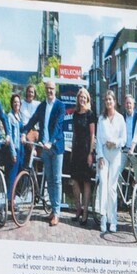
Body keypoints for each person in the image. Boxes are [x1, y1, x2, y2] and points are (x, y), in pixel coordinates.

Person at [95, 90, 128, 233]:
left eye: (111, 99)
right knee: (103, 183)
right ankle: (103, 218)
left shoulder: (120, 118)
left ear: (114, 101)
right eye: (107, 99)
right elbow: (98, 140)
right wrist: (100, 156)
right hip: (104, 155)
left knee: (112, 188)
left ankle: (112, 221)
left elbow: (124, 139)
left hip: (115, 155)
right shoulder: (101, 119)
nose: (109, 102)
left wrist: (115, 143)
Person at [63, 87, 97, 225]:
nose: (82, 99)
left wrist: (90, 153)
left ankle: (85, 213)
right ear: (78, 99)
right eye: (80, 97)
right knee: (75, 181)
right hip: (76, 150)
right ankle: (78, 209)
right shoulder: (75, 114)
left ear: (87, 99)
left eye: (84, 97)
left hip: (86, 150)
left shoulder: (90, 114)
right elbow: (75, 133)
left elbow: (92, 135)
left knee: (86, 182)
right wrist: (71, 152)